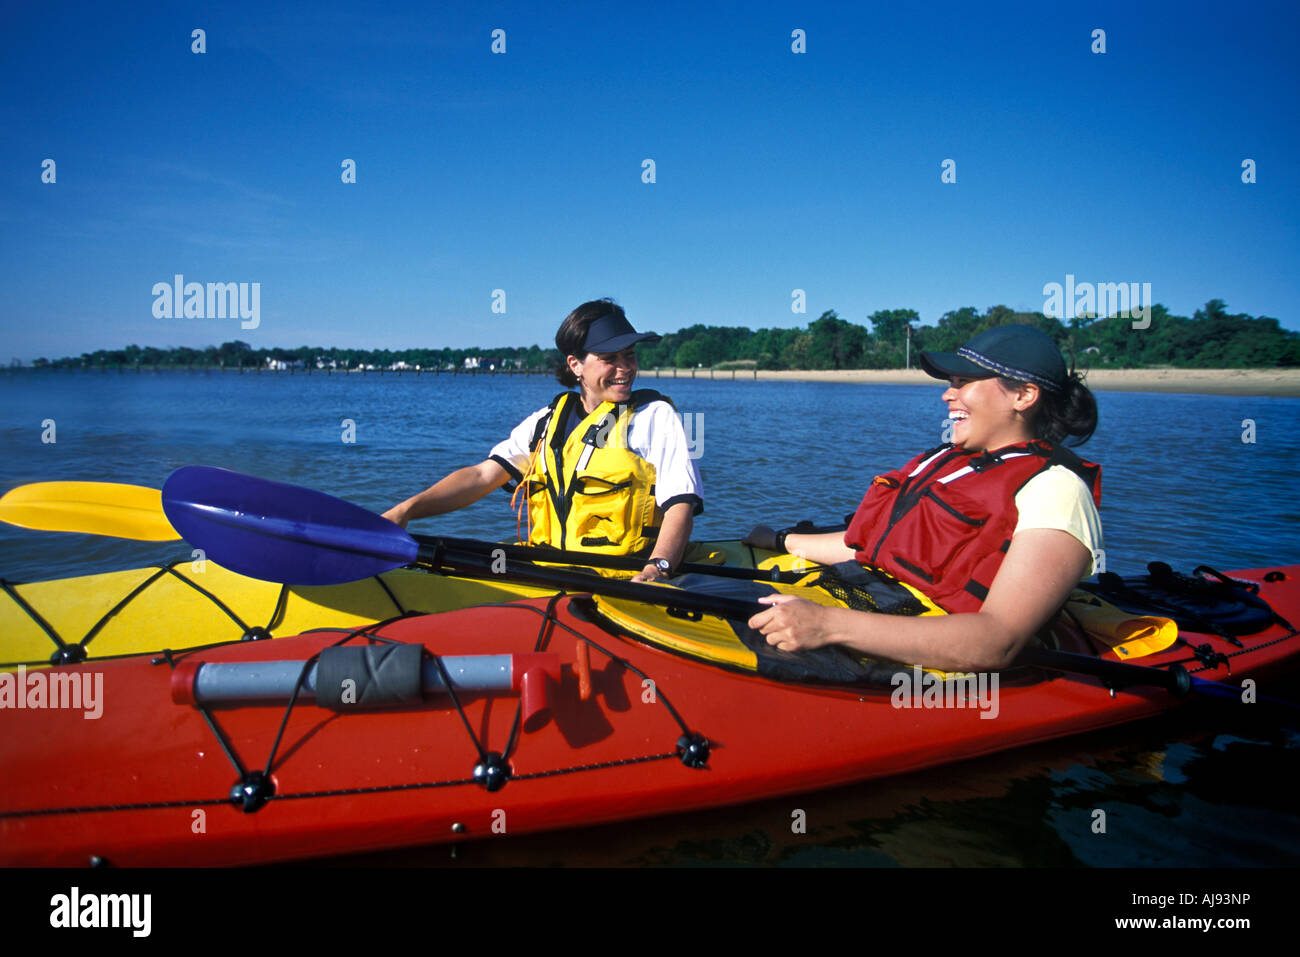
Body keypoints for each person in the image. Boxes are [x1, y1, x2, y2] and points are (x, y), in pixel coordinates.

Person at [745, 324, 1101, 672]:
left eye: (965, 382)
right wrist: (781, 540)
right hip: (877, 606)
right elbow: (871, 548)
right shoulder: (952, 463)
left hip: (945, 670)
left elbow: (996, 641)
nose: (948, 394)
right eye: (951, 382)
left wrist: (826, 625)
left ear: (1023, 395)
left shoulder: (1057, 491)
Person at [384, 299, 703, 582]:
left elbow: (680, 505)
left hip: (622, 578)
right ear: (575, 364)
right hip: (545, 571)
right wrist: (406, 510)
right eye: (610, 358)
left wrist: (657, 568)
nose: (625, 368)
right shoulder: (547, 421)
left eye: (629, 355)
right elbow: (482, 476)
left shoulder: (654, 416)